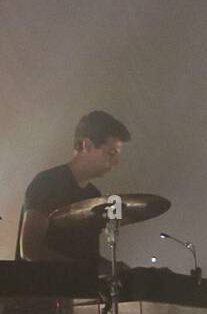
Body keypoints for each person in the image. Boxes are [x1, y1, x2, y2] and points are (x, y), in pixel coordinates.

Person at [17, 109, 131, 268]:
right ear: (87, 145)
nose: (116, 162)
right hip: (40, 289)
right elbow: (30, 250)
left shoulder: (94, 195)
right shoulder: (47, 183)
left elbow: (89, 258)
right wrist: (82, 270)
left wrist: (111, 268)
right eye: (111, 153)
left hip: (75, 289)